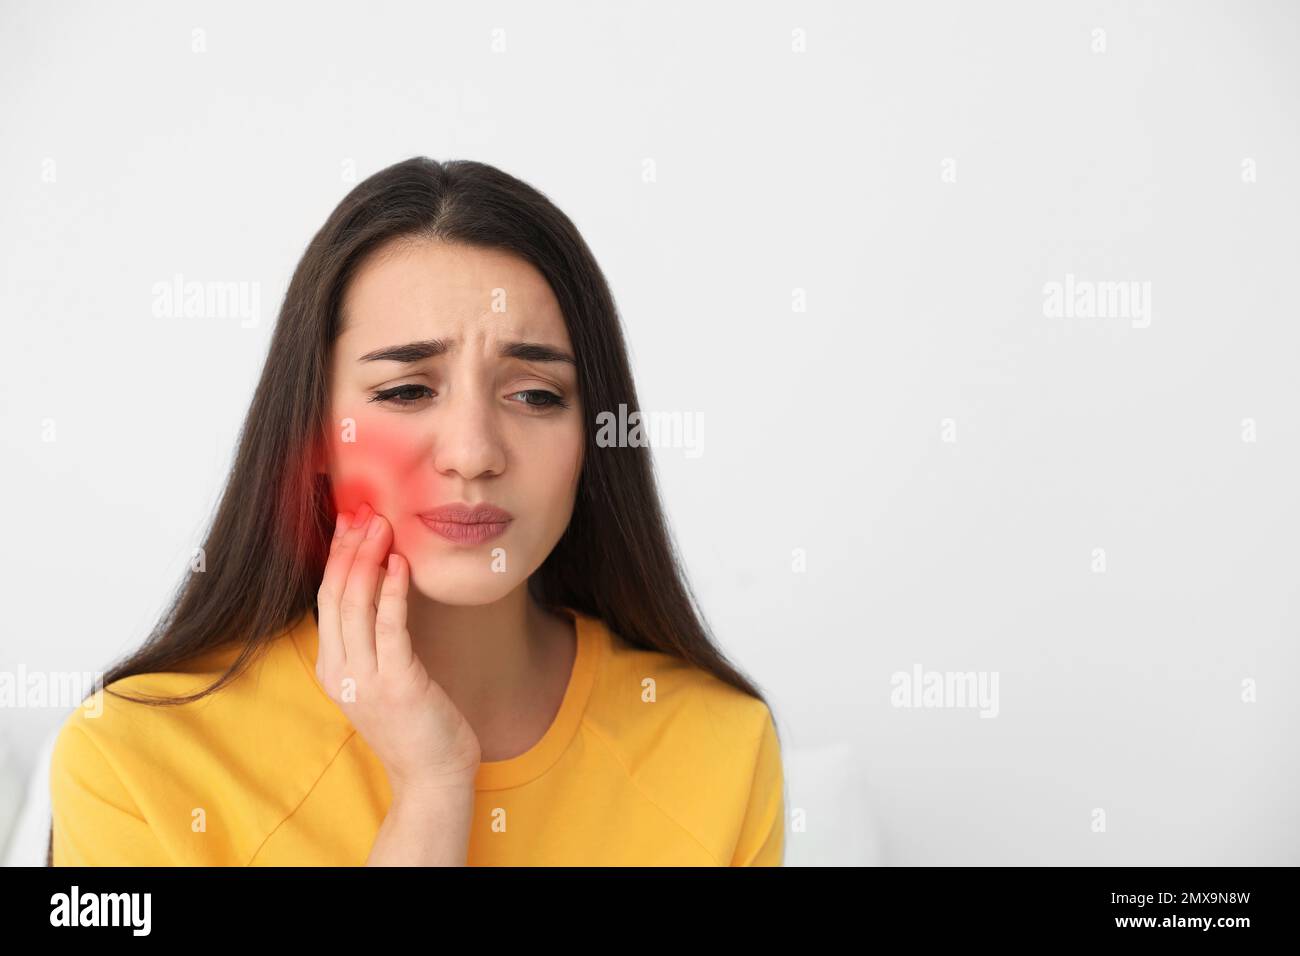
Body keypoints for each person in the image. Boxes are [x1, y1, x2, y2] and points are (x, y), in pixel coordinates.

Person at [47, 157, 785, 865]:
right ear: (315, 434)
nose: (472, 453)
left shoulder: (720, 746)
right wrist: (432, 793)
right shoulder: (133, 762)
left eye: (535, 394)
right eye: (406, 391)